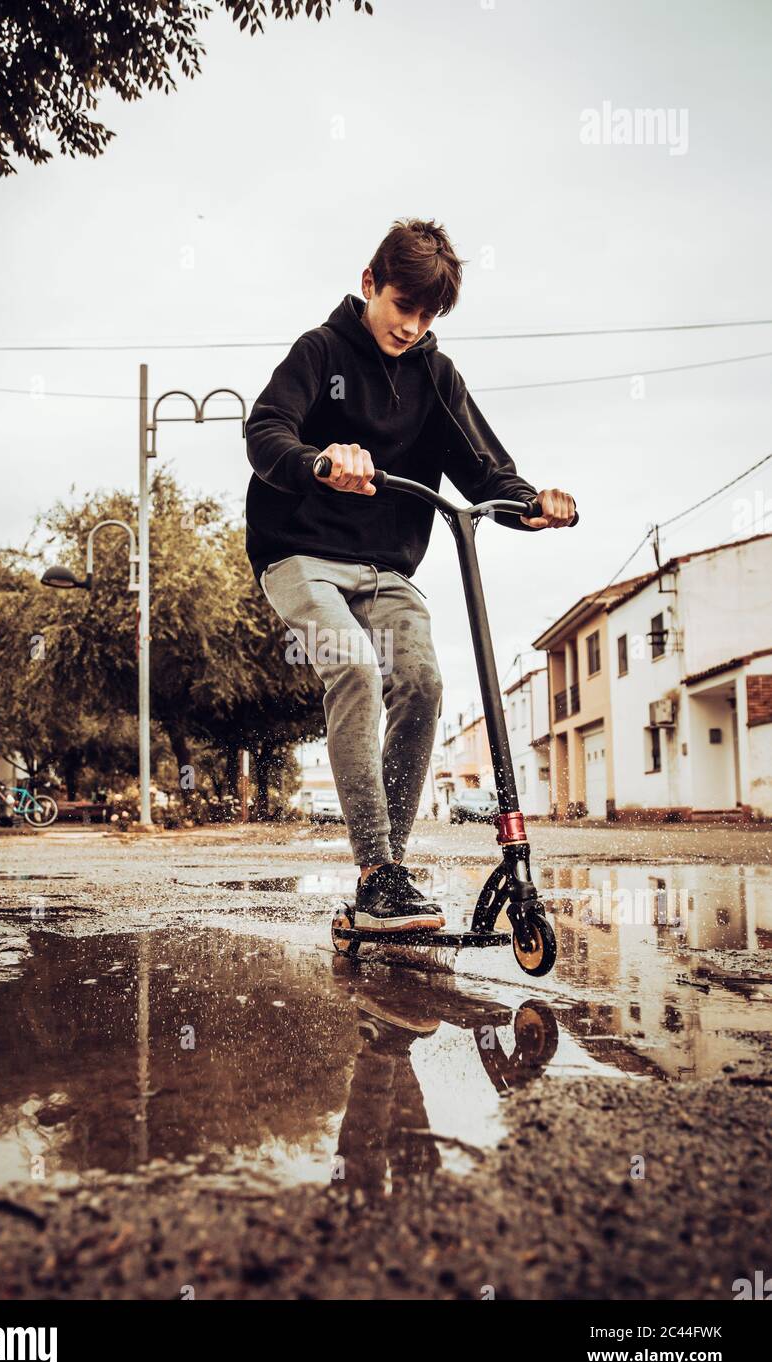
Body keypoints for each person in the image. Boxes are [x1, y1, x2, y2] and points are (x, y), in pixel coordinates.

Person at [245, 218, 575, 932]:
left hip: (387, 566)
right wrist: (321, 461)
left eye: (429, 317)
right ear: (371, 285)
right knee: (355, 668)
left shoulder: (434, 374)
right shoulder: (320, 351)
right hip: (298, 553)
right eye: (404, 308)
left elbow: (485, 469)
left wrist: (530, 505)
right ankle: (377, 870)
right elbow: (265, 432)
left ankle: (387, 877)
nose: (413, 327)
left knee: (422, 681)